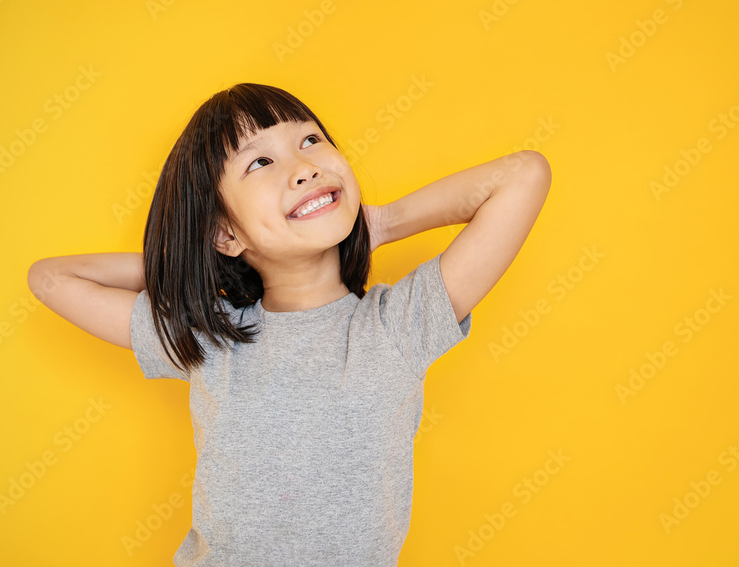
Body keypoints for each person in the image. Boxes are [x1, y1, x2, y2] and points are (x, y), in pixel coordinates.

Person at [27, 83, 550, 566]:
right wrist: (193, 264)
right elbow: (51, 278)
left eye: (311, 140)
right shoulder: (212, 340)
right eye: (259, 162)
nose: (303, 167)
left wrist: (385, 221)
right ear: (226, 233)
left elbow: (524, 174)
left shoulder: (398, 326)